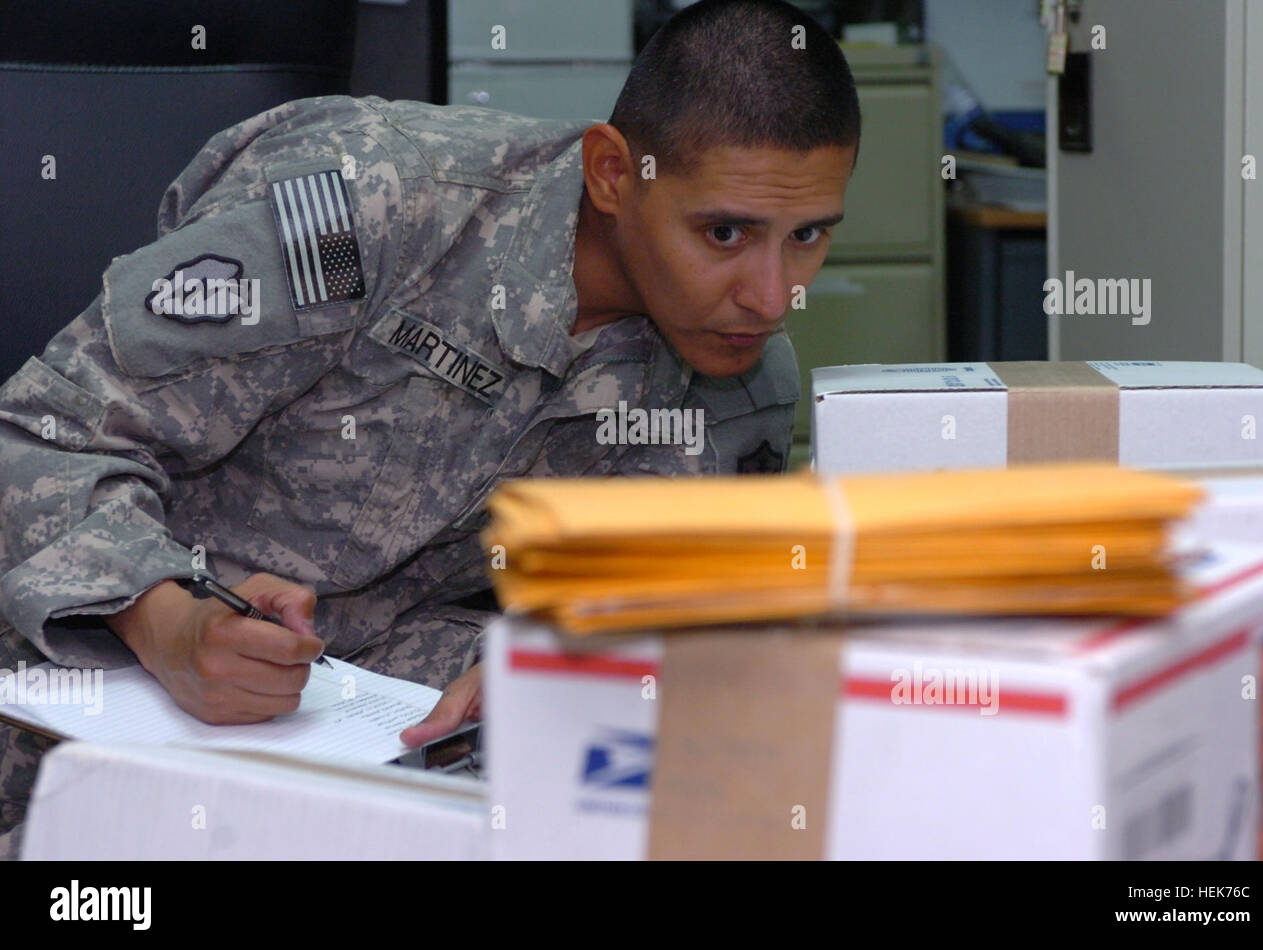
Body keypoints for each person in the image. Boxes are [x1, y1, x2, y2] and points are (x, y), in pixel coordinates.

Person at [0, 0, 859, 856]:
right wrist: (166, 624)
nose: (771, 294)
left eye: (809, 235)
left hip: (360, 721)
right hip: (85, 676)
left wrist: (559, 670)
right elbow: (39, 432)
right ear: (611, 172)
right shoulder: (363, 209)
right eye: (724, 232)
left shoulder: (735, 383)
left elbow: (667, 618)